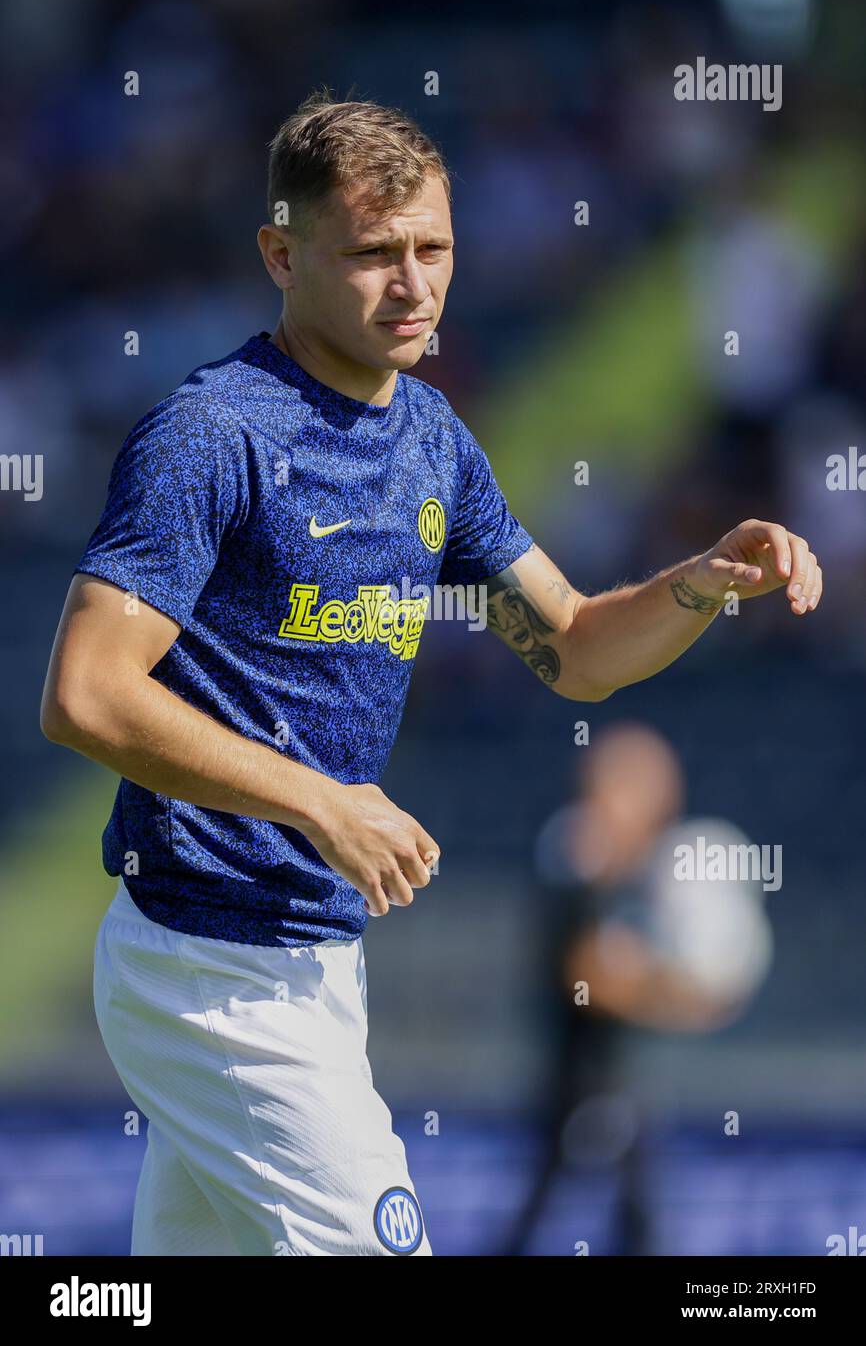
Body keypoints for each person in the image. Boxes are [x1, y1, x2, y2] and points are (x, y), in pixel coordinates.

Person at [40, 90, 822, 1257]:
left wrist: (700, 580)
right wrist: (318, 800)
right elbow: (85, 692)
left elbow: (574, 646)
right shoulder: (213, 432)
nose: (412, 284)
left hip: (311, 963)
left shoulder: (432, 439)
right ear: (279, 253)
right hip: (206, 962)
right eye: (371, 254)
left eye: (433, 248)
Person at [506, 723, 772, 1256]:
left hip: (620, 1079)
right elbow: (588, 975)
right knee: (574, 1214)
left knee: (625, 1219)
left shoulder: (643, 872)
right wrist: (687, 1002)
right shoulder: (575, 859)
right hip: (585, 1080)